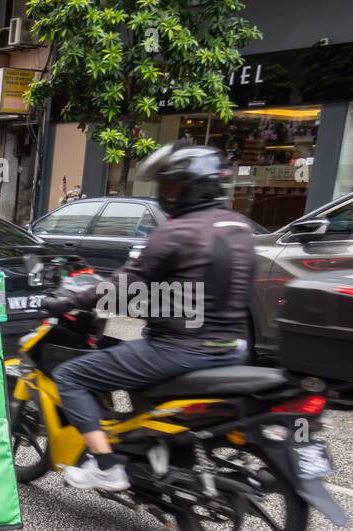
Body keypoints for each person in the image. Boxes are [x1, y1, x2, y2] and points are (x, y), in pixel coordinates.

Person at [41, 142, 254, 492]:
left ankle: (107, 466)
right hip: (232, 347)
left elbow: (127, 282)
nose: (165, 193)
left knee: (72, 375)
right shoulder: (240, 227)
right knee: (128, 351)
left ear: (188, 187)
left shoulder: (176, 231)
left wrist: (70, 301)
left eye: (170, 185)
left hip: (179, 350)